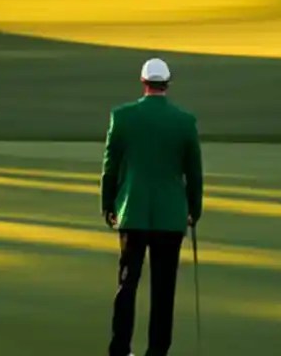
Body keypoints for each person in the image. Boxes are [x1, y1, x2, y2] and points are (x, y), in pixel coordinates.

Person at [101, 58, 203, 356]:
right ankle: (157, 352)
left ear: (143, 82)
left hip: (132, 212)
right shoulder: (185, 121)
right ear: (167, 84)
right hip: (171, 217)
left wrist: (108, 204)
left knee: (127, 284)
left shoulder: (122, 116)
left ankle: (119, 349)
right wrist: (193, 210)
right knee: (163, 290)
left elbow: (110, 167)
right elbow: (194, 172)